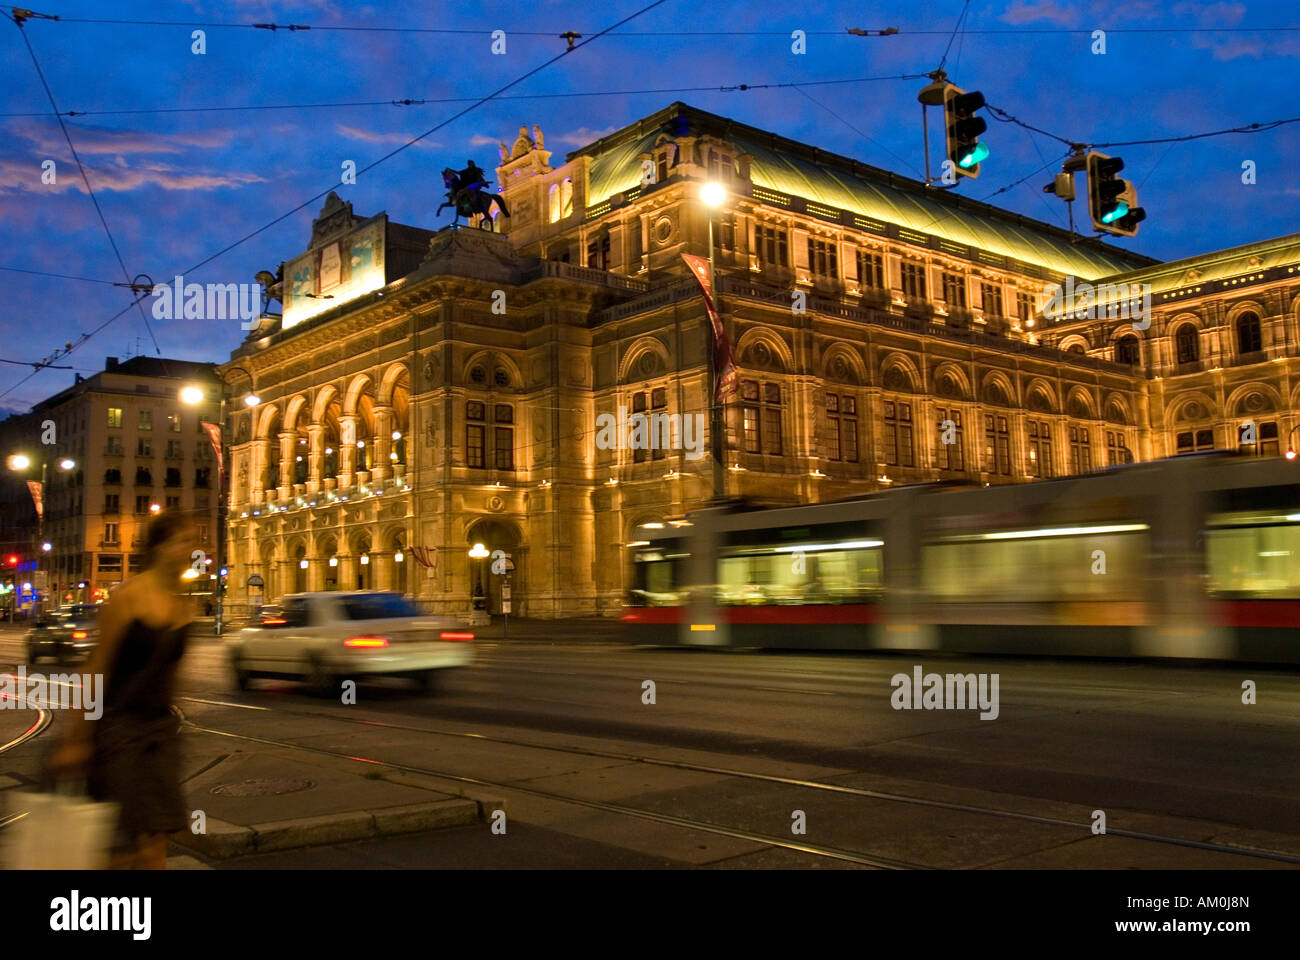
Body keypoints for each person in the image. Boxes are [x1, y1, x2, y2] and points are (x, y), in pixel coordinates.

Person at [48, 511, 195, 869]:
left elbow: (173, 674)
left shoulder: (184, 604)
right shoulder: (127, 597)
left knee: (157, 836)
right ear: (161, 547)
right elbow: (97, 668)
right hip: (119, 730)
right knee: (121, 845)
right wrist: (77, 739)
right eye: (183, 541)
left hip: (159, 731)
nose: (191, 549)